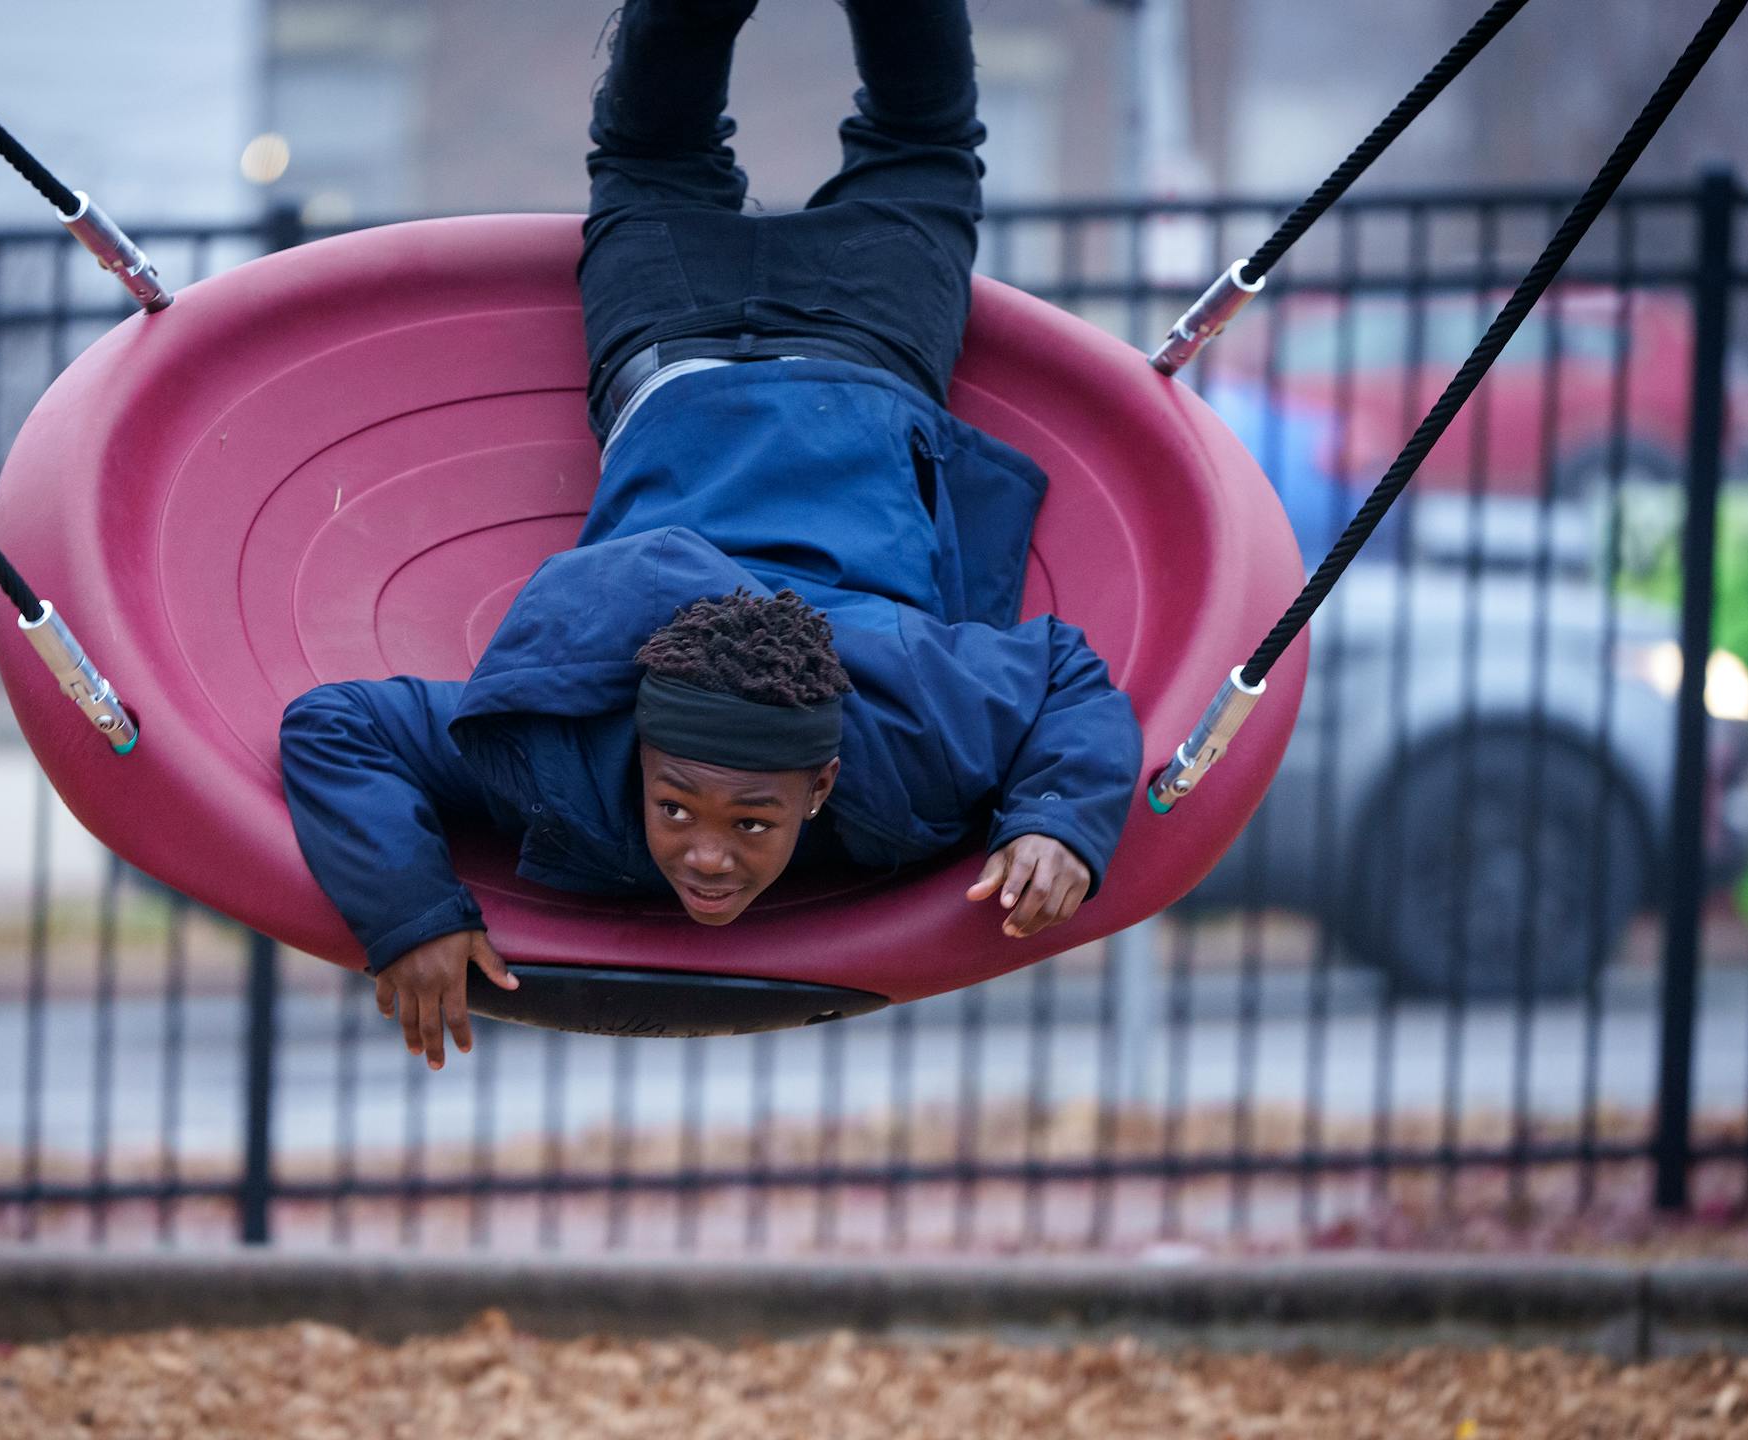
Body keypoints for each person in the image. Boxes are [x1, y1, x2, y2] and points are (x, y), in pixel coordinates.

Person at [280, 0, 1142, 1069]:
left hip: (674, 340)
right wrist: (409, 912)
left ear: (821, 785)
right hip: (866, 342)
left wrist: (1055, 819)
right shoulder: (581, 749)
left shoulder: (904, 724)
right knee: (919, 140)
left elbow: (337, 728)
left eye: (752, 821)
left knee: (655, 149)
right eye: (676, 805)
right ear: (638, 746)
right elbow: (1065, 677)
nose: (707, 855)